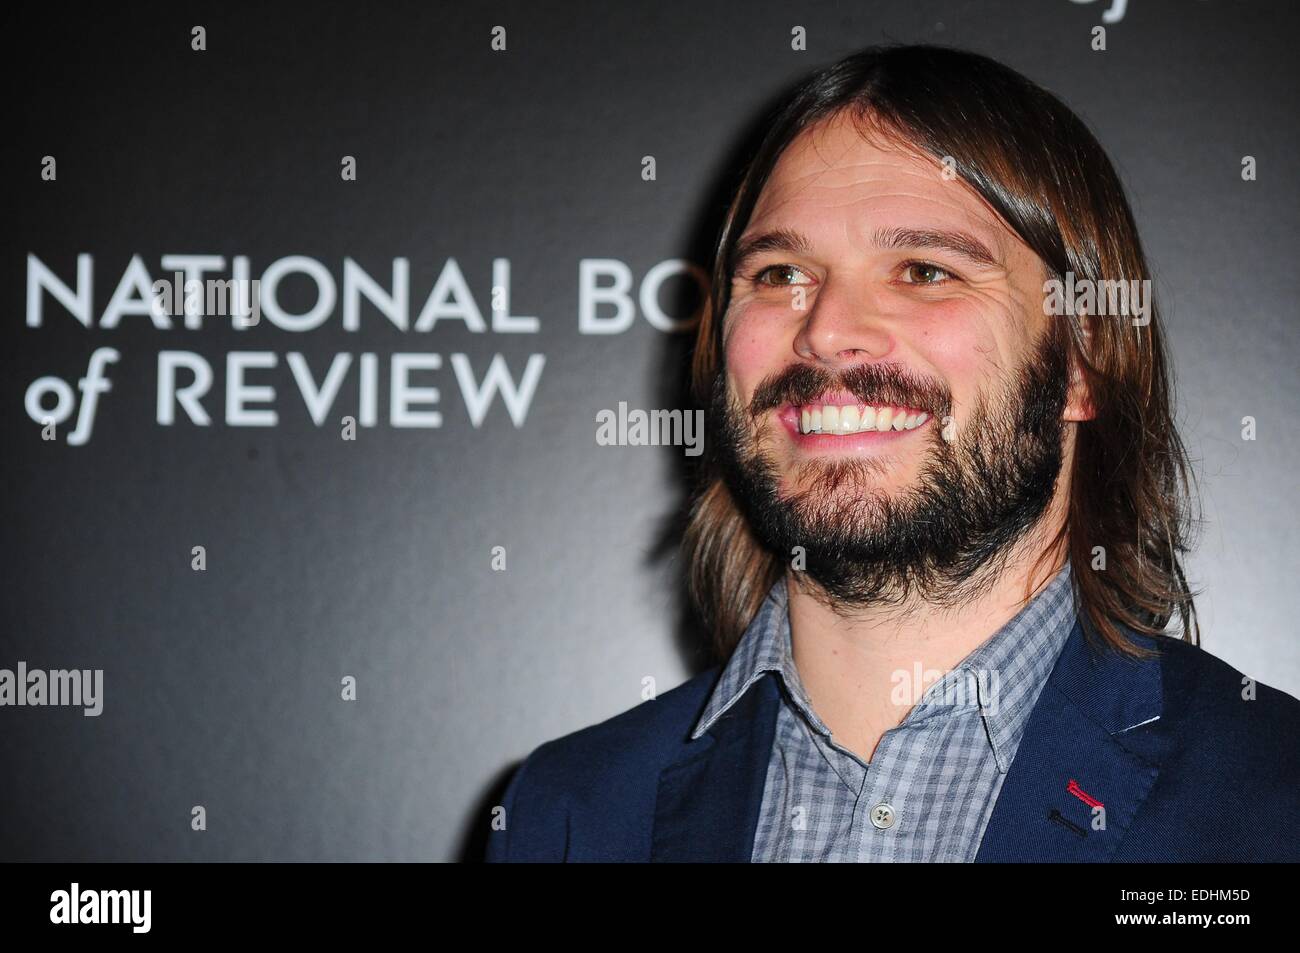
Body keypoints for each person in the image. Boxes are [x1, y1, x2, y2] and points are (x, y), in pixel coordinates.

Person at [485, 44, 1300, 862]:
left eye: (922, 269)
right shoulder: (567, 814)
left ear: (1082, 362)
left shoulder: (1275, 798)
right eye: (778, 272)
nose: (827, 328)